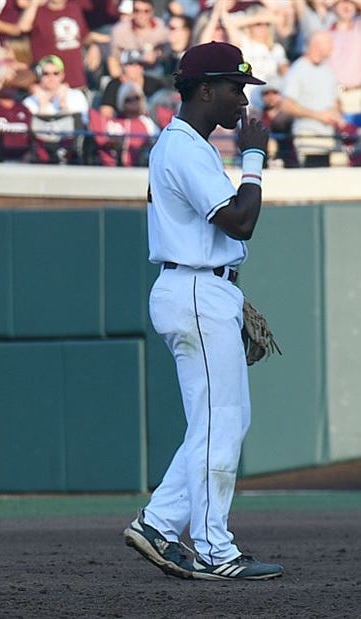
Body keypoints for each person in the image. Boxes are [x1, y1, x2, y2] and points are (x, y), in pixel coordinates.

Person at [123, 40, 285, 582]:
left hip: (202, 286)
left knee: (222, 421)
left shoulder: (190, 145)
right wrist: (255, 157)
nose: (243, 99)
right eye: (236, 87)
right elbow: (239, 220)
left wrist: (230, 295)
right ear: (205, 89)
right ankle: (215, 549)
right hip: (194, 287)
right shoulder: (186, 148)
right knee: (220, 422)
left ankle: (159, 523)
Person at [281, 30, 344, 167]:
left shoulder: (327, 70)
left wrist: (336, 112)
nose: (333, 47)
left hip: (329, 136)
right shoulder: (298, 69)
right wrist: (318, 116)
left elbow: (334, 99)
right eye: (329, 43)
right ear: (317, 45)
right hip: (309, 136)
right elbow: (286, 105)